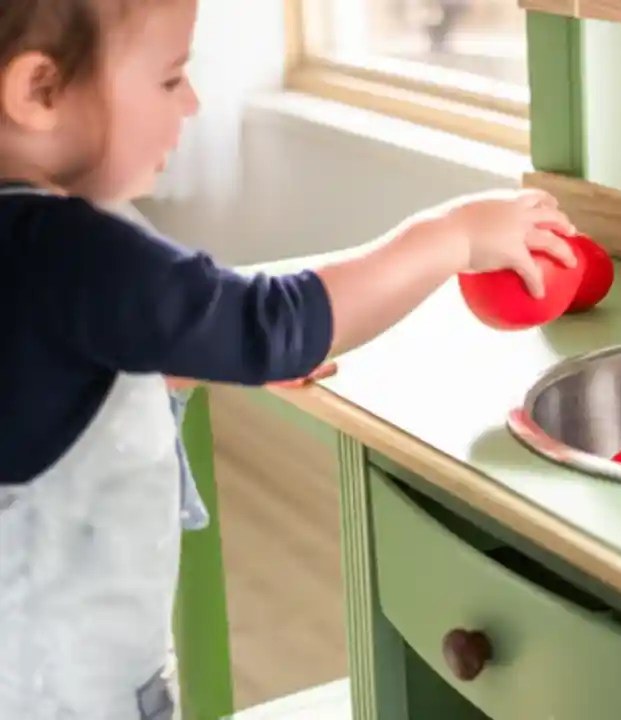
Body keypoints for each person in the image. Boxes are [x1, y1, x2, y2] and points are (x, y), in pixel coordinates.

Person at [0, 1, 576, 718]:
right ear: (40, 91)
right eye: (171, 79)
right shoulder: (76, 251)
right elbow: (275, 322)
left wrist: (201, 355)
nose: (194, 103)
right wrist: (450, 237)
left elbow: (43, 378)